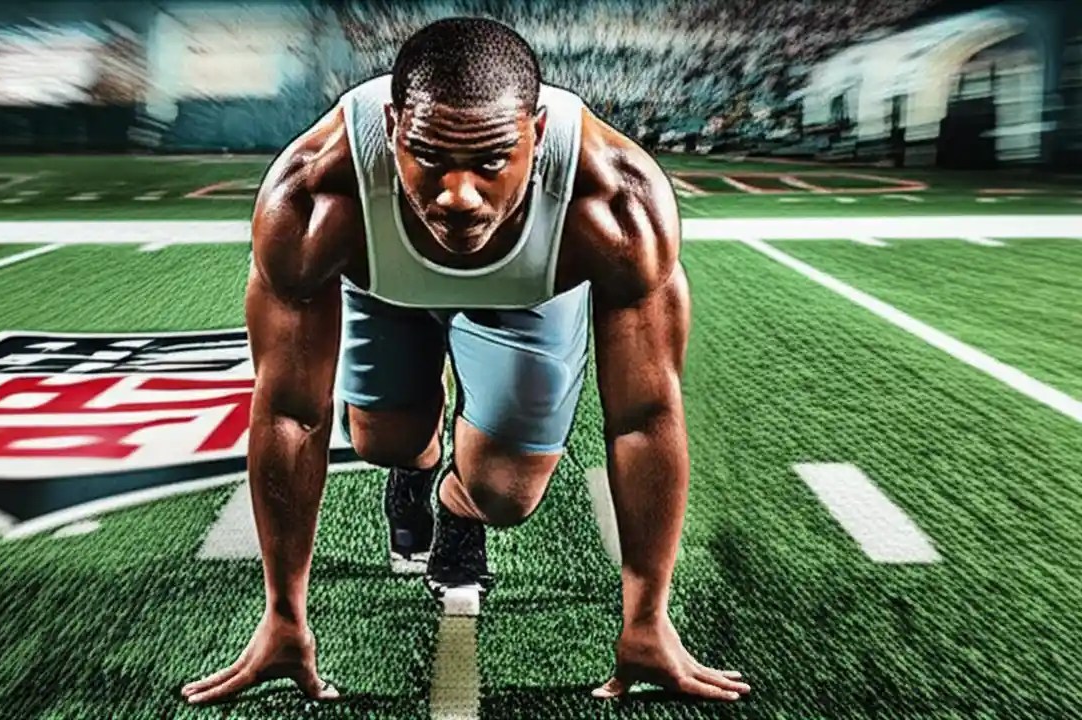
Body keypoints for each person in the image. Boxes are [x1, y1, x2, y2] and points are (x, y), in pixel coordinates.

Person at [182, 16, 751, 705]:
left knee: (506, 494)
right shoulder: (314, 197)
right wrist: (282, 615)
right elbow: (291, 414)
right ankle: (417, 464)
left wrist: (648, 619)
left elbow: (643, 418)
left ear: (538, 134)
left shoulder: (615, 204)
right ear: (391, 127)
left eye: (490, 162)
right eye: (429, 156)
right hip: (385, 284)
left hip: (531, 291)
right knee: (384, 439)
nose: (457, 195)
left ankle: (458, 506)